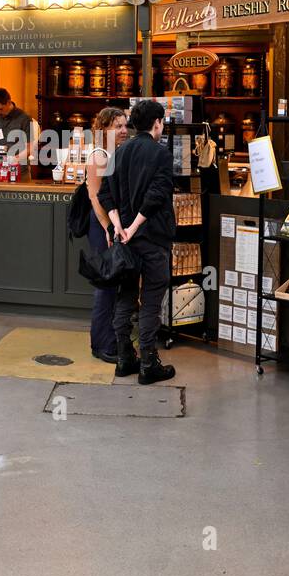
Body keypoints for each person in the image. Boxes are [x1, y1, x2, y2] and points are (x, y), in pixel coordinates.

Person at [98, 99, 175, 385]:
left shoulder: (119, 152)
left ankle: (123, 359)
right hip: (152, 238)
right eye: (162, 123)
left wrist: (119, 227)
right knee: (151, 301)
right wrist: (134, 225)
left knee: (125, 297)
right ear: (156, 124)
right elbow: (157, 195)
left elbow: (106, 194)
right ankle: (147, 363)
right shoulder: (160, 154)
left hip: (125, 241)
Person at [86, 107, 128, 363]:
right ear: (103, 129)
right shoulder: (99, 155)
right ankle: (102, 344)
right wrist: (108, 227)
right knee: (106, 283)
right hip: (102, 224)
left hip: (113, 223)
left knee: (114, 283)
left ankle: (110, 339)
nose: (123, 130)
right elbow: (95, 196)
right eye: (117, 126)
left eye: (125, 125)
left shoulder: (116, 153)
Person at [0, 88, 38, 160]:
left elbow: (29, 148)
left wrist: (15, 159)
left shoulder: (25, 118)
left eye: (0, 109)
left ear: (9, 102)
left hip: (18, 165)